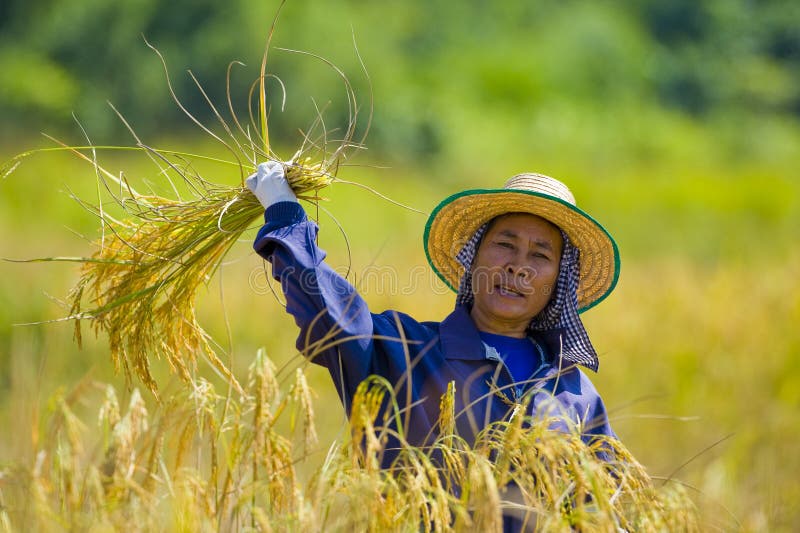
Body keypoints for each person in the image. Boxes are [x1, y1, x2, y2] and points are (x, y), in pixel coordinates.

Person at [247, 162, 620, 466]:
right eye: (505, 245)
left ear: (559, 281)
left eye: (540, 255)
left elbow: (610, 505)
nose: (518, 267)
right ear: (472, 259)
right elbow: (329, 314)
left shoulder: (574, 393)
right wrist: (285, 216)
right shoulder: (405, 350)